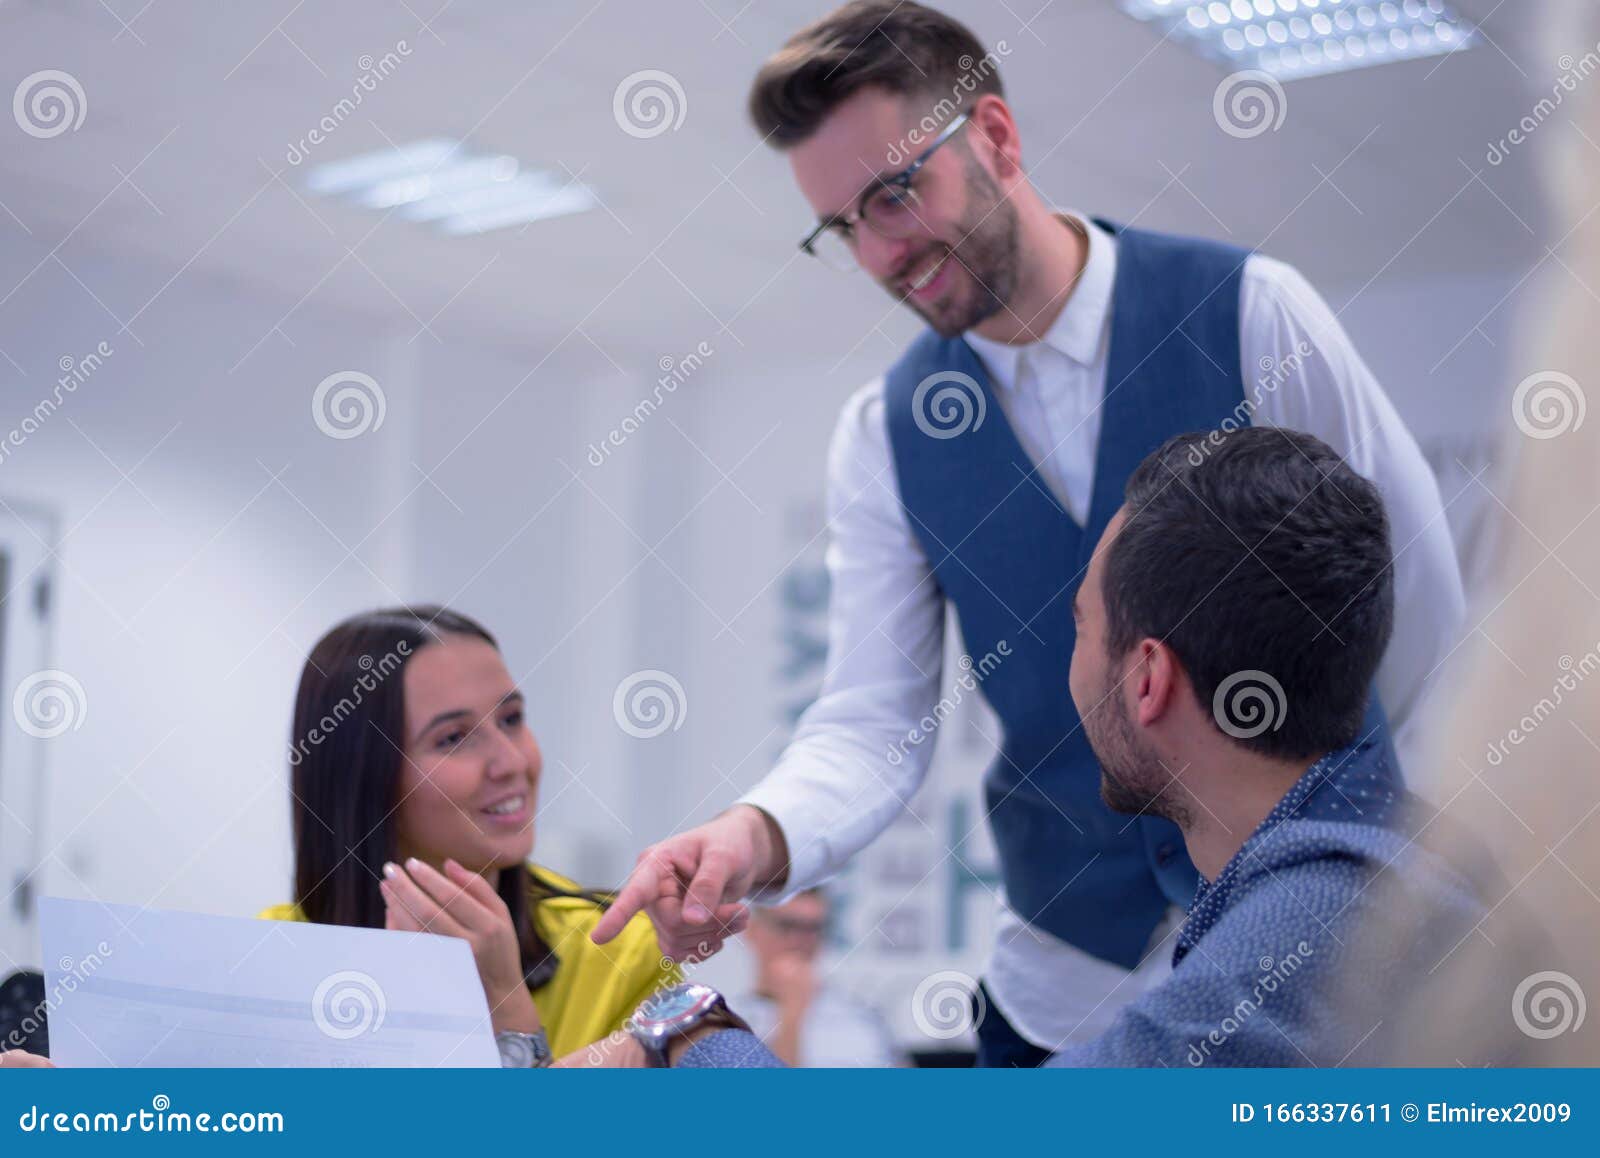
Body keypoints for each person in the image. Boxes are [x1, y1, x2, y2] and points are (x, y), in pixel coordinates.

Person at [593, 0, 1466, 1067]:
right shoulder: (885, 433)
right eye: (844, 227)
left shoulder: (1248, 311)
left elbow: (1422, 624)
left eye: (896, 191)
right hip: (1059, 995)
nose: (882, 251)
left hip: (1302, 972)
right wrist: (754, 835)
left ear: (995, 138)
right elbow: (874, 719)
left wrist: (1371, 894)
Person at [582, 428, 1489, 1069]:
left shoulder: (1294, 952)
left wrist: (690, 1033)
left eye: (1081, 627)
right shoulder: (1385, 874)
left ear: (1146, 680)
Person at [259, 606, 700, 1062]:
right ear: (362, 776)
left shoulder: (619, 954)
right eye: (453, 738)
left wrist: (508, 1013)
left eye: (510, 719)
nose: (512, 762)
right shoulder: (269, 959)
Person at [731, 888, 901, 1067]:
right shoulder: (727, 1021)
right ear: (752, 930)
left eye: (813, 928)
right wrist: (792, 1013)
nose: (800, 940)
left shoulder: (862, 1017)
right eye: (787, 925)